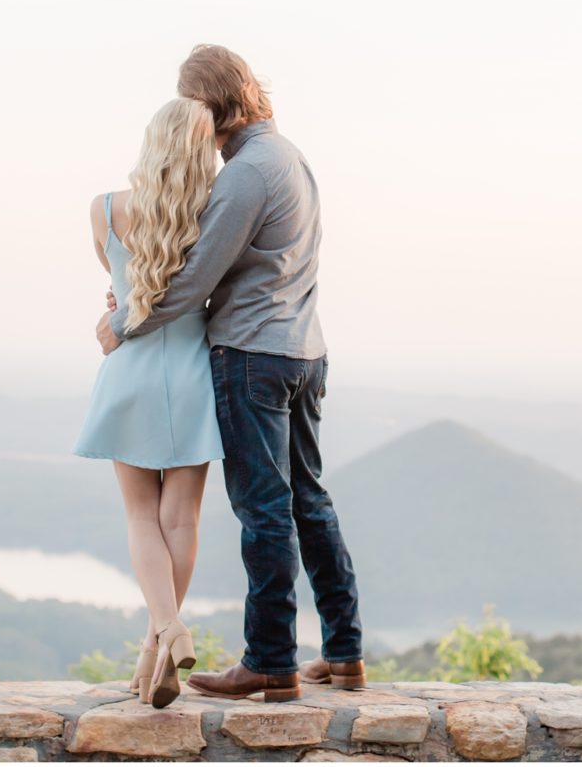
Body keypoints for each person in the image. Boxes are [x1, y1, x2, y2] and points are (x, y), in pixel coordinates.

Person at [96, 44, 365, 704]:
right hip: (305, 350)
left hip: (254, 356)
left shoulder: (245, 175)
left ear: (210, 108)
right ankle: (344, 650)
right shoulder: (292, 159)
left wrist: (123, 323)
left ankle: (271, 660)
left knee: (264, 508)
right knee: (310, 500)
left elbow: (192, 282)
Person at [72, 96, 226, 709]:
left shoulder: (105, 210)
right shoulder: (214, 214)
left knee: (140, 516)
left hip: (129, 372)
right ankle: (156, 643)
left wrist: (119, 305)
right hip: (190, 375)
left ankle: (163, 635)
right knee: (181, 519)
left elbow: (118, 287)